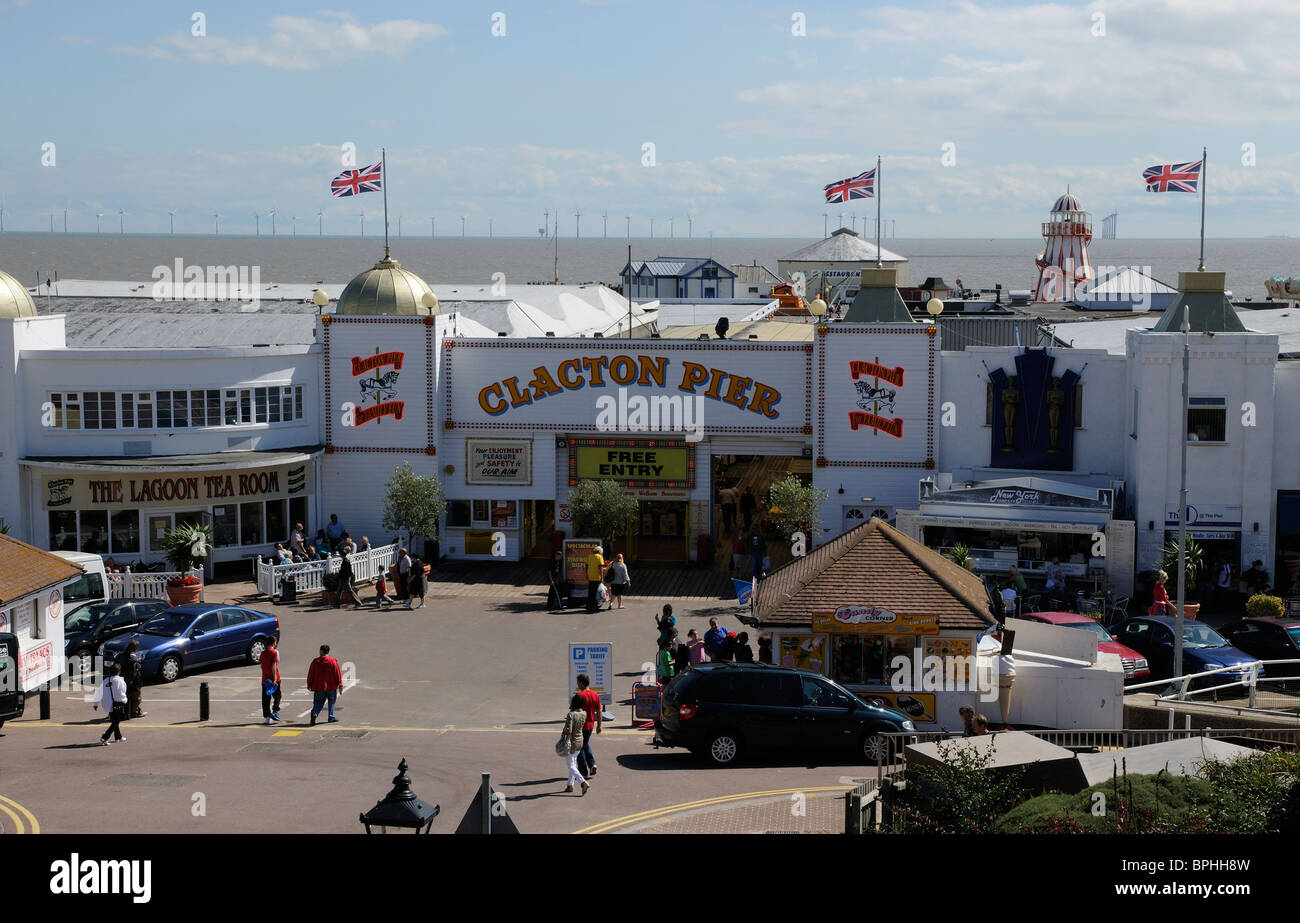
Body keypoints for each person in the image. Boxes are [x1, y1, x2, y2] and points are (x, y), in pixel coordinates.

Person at [307, 644, 344, 725]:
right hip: (331, 686)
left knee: (318, 702)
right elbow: (337, 673)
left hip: (319, 686)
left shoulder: (315, 662)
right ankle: (331, 716)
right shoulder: (333, 661)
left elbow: (311, 674)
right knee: (332, 701)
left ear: (320, 651)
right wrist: (340, 683)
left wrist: (309, 684)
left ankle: (314, 714)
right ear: (328, 651)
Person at [561, 694, 590, 795]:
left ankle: (583, 782)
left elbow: (568, 730)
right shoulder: (584, 713)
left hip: (571, 742)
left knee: (570, 765)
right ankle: (570, 785)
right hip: (580, 741)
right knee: (573, 763)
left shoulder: (571, 715)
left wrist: (563, 732)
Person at [575, 673, 602, 778]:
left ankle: (583, 773)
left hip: (580, 726)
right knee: (585, 744)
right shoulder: (595, 694)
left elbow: (573, 712)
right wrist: (599, 725)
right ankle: (592, 764)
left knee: (579, 749)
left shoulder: (580, 696)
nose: (577, 685)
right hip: (590, 726)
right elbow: (599, 711)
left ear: (581, 683)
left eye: (578, 683)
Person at [95, 663, 129, 745]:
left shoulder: (106, 680)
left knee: (114, 720)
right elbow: (121, 692)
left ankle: (118, 737)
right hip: (117, 703)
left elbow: (99, 692)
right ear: (119, 671)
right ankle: (105, 737)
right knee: (116, 721)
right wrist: (124, 700)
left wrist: (95, 703)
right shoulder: (120, 681)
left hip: (108, 704)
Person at [115, 640, 146, 718]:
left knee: (125, 697)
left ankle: (128, 711)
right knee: (136, 698)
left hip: (122, 680)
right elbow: (136, 670)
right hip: (133, 682)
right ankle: (135, 712)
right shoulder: (133, 657)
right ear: (136, 649)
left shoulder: (119, 656)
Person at [260, 636, 282, 725]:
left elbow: (261, 665)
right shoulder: (274, 652)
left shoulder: (262, 653)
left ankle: (267, 718)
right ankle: (275, 710)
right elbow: (274, 665)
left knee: (265, 699)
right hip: (274, 678)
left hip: (265, 679)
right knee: (278, 696)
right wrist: (275, 678)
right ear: (274, 643)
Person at [585, 545, 606, 613]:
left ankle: (589, 606)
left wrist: (587, 575)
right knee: (596, 593)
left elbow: (586, 566)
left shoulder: (589, 556)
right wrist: (602, 578)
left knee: (591, 592)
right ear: (600, 551)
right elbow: (601, 568)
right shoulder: (600, 557)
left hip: (590, 577)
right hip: (597, 577)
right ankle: (594, 607)